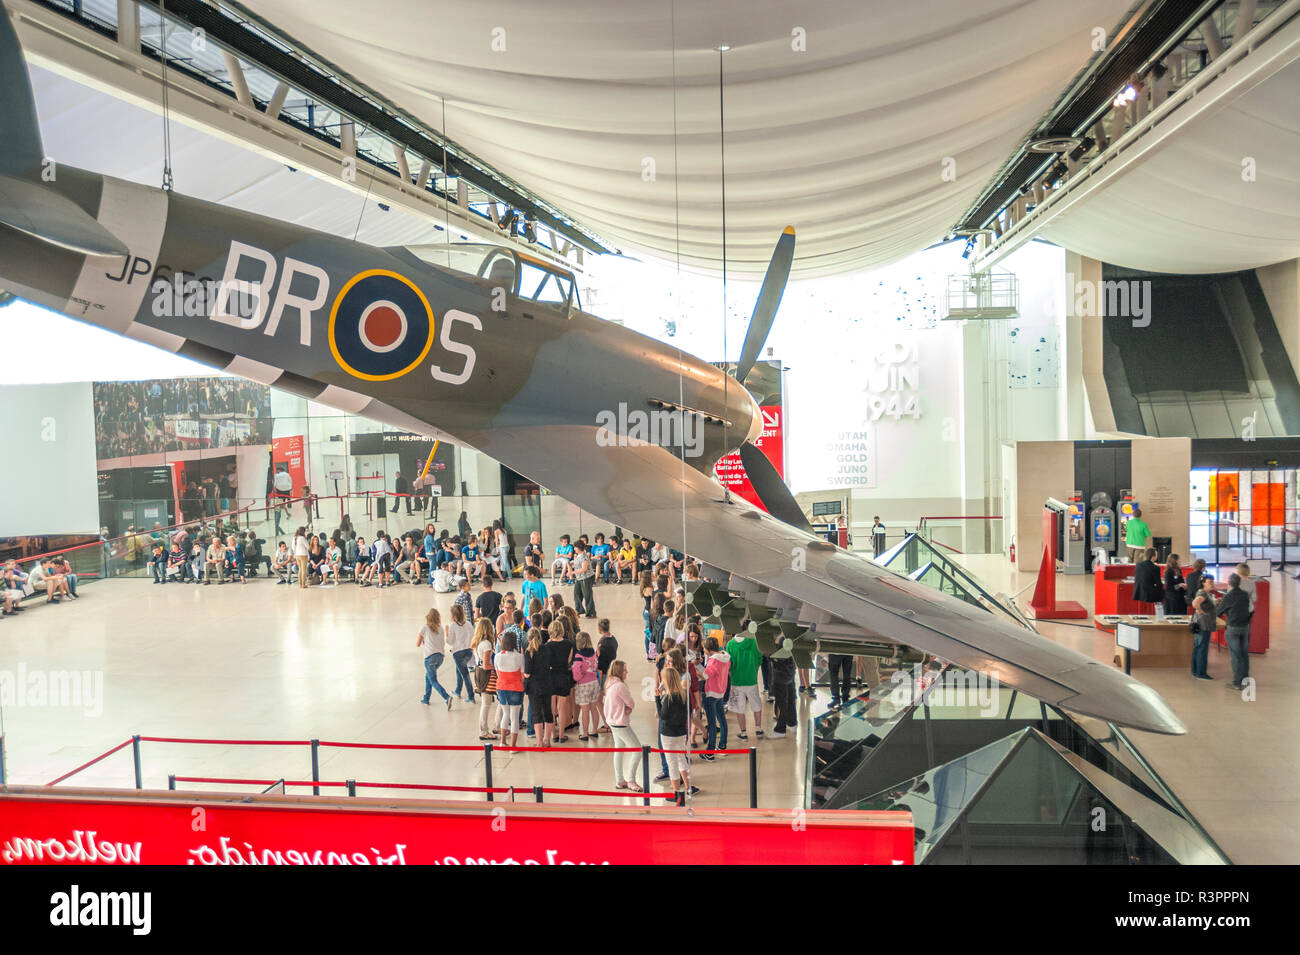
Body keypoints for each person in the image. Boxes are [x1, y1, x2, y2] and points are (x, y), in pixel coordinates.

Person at [603, 660, 642, 791]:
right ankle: (631, 780)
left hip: (612, 721)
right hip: (620, 723)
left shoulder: (609, 683)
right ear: (619, 671)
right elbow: (630, 702)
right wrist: (629, 707)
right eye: (625, 670)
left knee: (619, 749)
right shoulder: (620, 686)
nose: (627, 672)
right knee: (638, 750)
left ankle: (620, 780)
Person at [659, 666, 695, 801]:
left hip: (668, 734)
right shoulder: (684, 694)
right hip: (681, 732)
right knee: (681, 759)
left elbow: (663, 716)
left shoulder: (668, 698)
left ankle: (676, 793)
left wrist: (658, 699)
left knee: (672, 763)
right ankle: (689, 786)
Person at [536, 620, 575, 744]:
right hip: (563, 676)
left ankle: (553, 734)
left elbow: (544, 663)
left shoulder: (547, 646)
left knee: (551, 708)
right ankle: (561, 735)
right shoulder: (569, 644)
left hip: (550, 677)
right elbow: (569, 661)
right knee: (562, 707)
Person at [1216, 573, 1254, 690]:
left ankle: (1237, 682)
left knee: (1235, 655)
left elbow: (1218, 612)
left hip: (1233, 627)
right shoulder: (1245, 595)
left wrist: (1219, 603)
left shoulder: (1228, 596)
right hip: (1245, 627)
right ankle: (1245, 679)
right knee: (1244, 654)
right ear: (1239, 583)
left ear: (1229, 583)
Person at [725, 629, 763, 740]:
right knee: (756, 704)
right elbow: (759, 659)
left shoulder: (730, 645)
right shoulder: (754, 642)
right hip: (751, 679)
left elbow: (729, 665)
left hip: (737, 681)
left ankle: (743, 733)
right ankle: (758, 729)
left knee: (739, 708)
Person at [700, 636, 731, 759]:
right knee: (722, 720)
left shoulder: (713, 661)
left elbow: (706, 676)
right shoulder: (726, 658)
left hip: (711, 694)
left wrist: (695, 670)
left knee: (712, 723)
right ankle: (722, 746)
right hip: (720, 692)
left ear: (708, 649)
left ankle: (710, 751)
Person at [494, 630, 525, 746]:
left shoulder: (497, 657)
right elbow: (522, 675)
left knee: (505, 714)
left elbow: (498, 674)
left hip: (502, 688)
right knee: (514, 717)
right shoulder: (519, 657)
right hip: (516, 688)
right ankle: (513, 745)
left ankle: (502, 741)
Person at [417, 608, 452, 708]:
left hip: (430, 657)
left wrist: (424, 640)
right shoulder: (440, 628)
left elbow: (418, 644)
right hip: (440, 657)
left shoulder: (424, 628)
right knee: (428, 676)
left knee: (433, 680)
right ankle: (426, 698)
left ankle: (446, 697)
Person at [571, 631, 602, 740]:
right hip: (594, 682)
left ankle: (584, 733)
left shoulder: (578, 655)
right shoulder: (593, 652)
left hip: (583, 684)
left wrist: (577, 679)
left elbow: (576, 670)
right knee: (594, 707)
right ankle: (594, 730)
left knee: (584, 709)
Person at [472, 619, 498, 740]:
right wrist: (498, 666)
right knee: (486, 704)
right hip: (486, 674)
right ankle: (483, 731)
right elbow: (487, 665)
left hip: (478, 672)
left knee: (485, 703)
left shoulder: (477, 643)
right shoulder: (487, 644)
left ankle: (484, 729)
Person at [445, 602, 476, 702]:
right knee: (459, 670)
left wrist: (446, 632)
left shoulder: (453, 626)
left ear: (453, 615)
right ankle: (458, 690)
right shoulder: (468, 624)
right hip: (468, 651)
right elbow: (473, 637)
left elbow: (450, 641)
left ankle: (471, 696)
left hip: (458, 653)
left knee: (465, 674)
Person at [770, 632, 796, 737]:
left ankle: (780, 729)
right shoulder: (791, 638)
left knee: (781, 703)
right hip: (789, 674)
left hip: (780, 676)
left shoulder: (781, 641)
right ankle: (792, 723)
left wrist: (779, 637)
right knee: (790, 700)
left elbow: (773, 654)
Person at [1190, 575, 1216, 681]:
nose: (1212, 584)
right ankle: (1201, 673)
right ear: (1203, 583)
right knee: (1202, 649)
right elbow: (1195, 603)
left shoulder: (1203, 593)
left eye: (1212, 582)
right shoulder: (1203, 593)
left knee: (1197, 647)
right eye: (1209, 582)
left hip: (1201, 624)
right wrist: (1200, 610)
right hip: (1204, 625)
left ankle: (1195, 671)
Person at [572, 540, 597, 618]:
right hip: (579, 578)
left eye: (575, 547)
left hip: (586, 578)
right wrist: (571, 563)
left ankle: (591, 612)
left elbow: (584, 569)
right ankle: (579, 610)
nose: (574, 549)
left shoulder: (584, 556)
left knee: (587, 595)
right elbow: (577, 562)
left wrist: (572, 573)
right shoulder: (578, 555)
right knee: (576, 594)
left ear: (579, 548)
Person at [596, 618, 617, 695]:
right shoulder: (613, 639)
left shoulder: (603, 643)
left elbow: (600, 658)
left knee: (600, 694)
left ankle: (604, 707)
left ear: (600, 628)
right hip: (610, 669)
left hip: (603, 672)